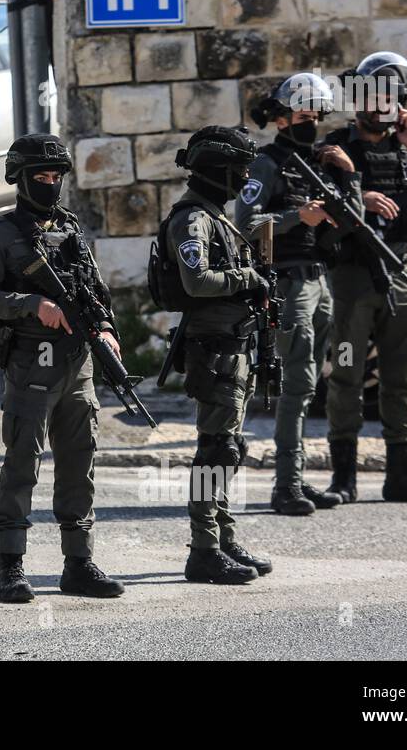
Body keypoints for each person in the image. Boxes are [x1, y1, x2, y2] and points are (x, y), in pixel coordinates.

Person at [0, 134, 126, 604]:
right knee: (23, 461)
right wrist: (32, 303)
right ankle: (11, 568)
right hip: (31, 363)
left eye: (57, 177)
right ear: (19, 178)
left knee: (80, 463)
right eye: (41, 177)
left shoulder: (71, 228)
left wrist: (105, 328)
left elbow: (95, 289)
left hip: (78, 362)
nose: (51, 184)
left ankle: (79, 563)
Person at [323, 52, 407, 503]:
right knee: (345, 372)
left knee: (403, 373)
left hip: (402, 271)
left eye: (389, 96)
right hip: (351, 278)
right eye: (372, 95)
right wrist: (360, 195)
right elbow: (315, 208)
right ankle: (344, 476)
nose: (380, 104)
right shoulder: (335, 149)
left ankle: (402, 472)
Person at [236, 73, 357, 515]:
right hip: (288, 283)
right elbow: (244, 224)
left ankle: (299, 480)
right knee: (296, 383)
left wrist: (349, 174)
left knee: (310, 387)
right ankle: (286, 486)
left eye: (317, 116)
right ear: (282, 119)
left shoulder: (320, 162)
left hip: (319, 279)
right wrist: (294, 218)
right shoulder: (266, 164)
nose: (313, 124)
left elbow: (353, 222)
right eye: (305, 116)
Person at [159, 126, 273, 584]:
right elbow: (196, 281)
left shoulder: (216, 216)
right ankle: (203, 550)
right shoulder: (192, 219)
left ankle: (222, 537)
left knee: (229, 447)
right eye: (240, 169)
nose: (245, 177)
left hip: (232, 345)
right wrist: (248, 279)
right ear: (217, 171)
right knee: (214, 449)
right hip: (213, 351)